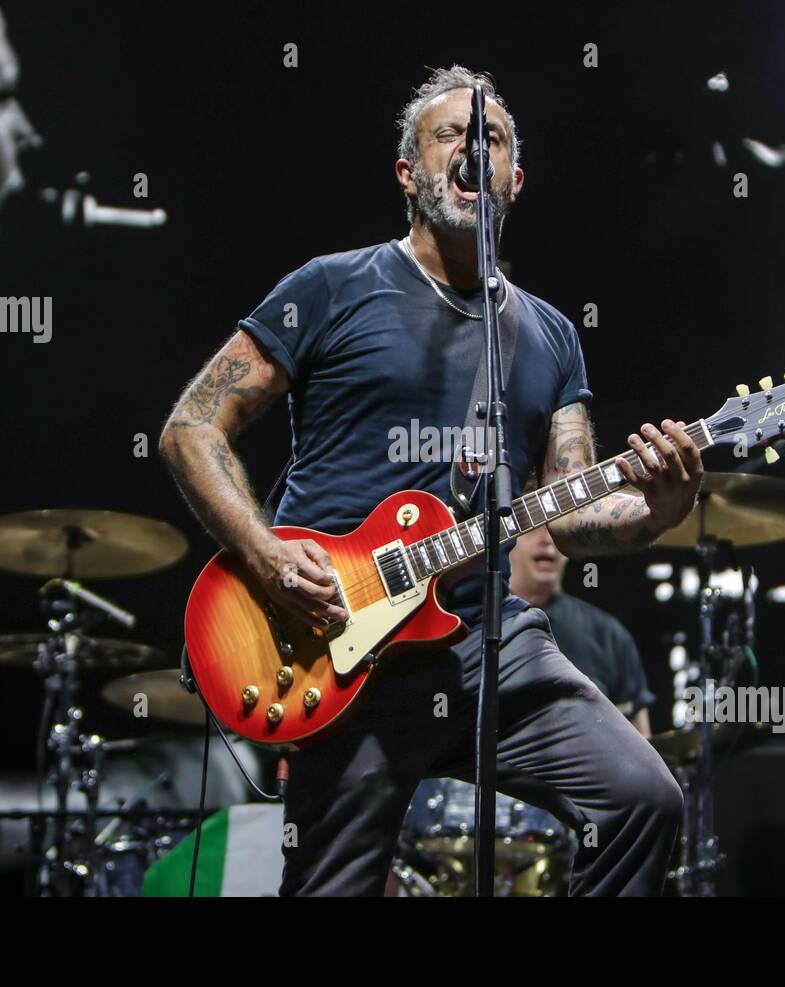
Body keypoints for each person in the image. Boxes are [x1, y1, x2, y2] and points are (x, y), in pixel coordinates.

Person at [159, 65, 703, 896]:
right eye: (450, 133)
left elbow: (576, 500)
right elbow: (191, 426)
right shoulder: (332, 287)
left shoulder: (549, 335)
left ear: (514, 179)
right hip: (334, 640)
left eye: (491, 139)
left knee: (643, 798)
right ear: (408, 173)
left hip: (484, 637)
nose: (471, 147)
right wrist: (267, 555)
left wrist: (659, 507)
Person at [509, 526, 655, 737]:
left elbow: (642, 740)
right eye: (532, 528)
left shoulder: (608, 633)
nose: (547, 540)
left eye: (555, 528)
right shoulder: (474, 628)